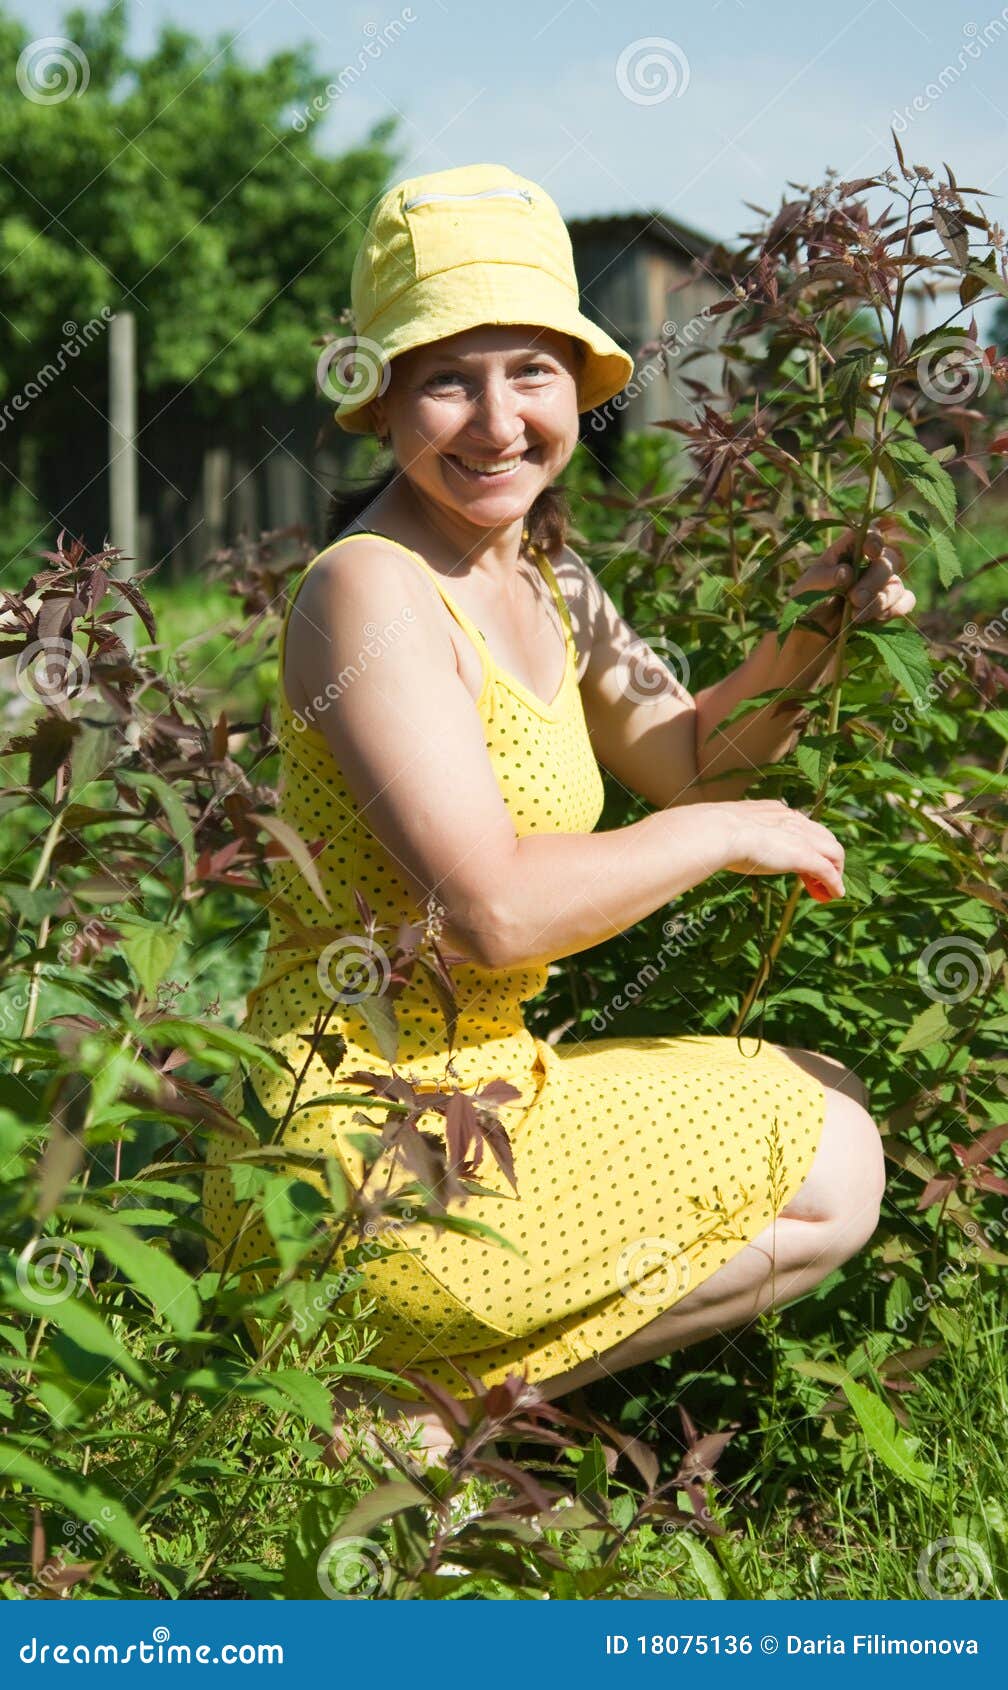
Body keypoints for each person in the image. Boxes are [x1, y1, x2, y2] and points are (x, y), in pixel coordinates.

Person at [203, 163, 915, 1459]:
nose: (495, 420)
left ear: (577, 391)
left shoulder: (550, 578)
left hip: (480, 1086)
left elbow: (694, 752)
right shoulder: (369, 588)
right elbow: (490, 909)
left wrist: (820, 628)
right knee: (835, 1157)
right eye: (446, 377)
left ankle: (408, 1418)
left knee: (829, 1109)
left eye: (529, 372)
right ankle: (386, 1418)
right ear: (380, 402)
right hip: (358, 1129)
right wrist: (720, 838)